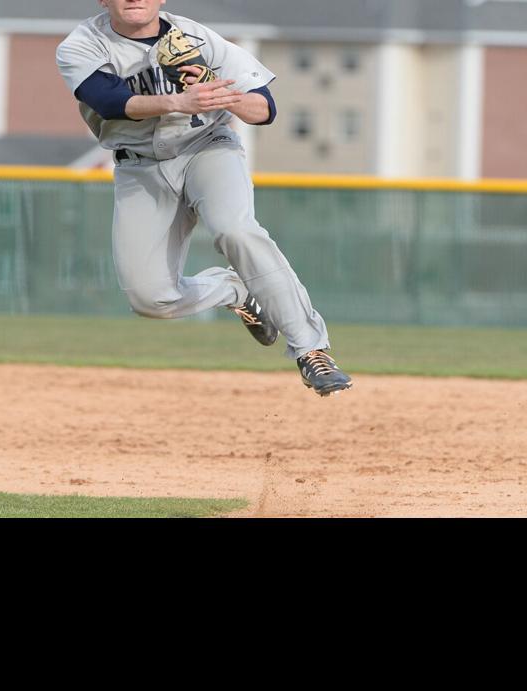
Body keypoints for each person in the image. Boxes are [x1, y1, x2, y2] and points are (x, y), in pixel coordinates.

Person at [56, 0, 353, 396]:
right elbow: (110, 101)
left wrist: (218, 91)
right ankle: (234, 289)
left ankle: (311, 350)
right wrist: (180, 100)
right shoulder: (83, 44)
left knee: (237, 231)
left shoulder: (196, 38)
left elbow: (264, 109)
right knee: (150, 298)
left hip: (206, 148)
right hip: (139, 166)